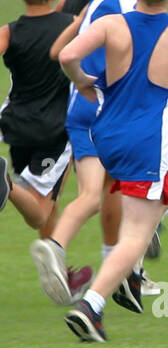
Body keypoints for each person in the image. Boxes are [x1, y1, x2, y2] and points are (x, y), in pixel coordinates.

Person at [57, 0, 168, 342]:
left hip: (105, 136)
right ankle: (92, 305)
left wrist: (84, 82)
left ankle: (129, 270)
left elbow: (66, 56)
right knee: (135, 231)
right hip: (146, 141)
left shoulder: (111, 23)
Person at [31, 0, 134, 307]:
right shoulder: (130, 9)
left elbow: (58, 51)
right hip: (109, 110)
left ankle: (55, 245)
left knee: (90, 195)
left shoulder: (93, 6)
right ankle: (124, 268)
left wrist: (78, 78)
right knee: (134, 185)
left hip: (80, 110)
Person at [0, 0, 84, 281]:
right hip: (54, 130)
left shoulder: (9, 32)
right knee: (39, 211)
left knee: (48, 194)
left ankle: (57, 272)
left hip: (15, 125)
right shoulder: (72, 26)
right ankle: (7, 185)